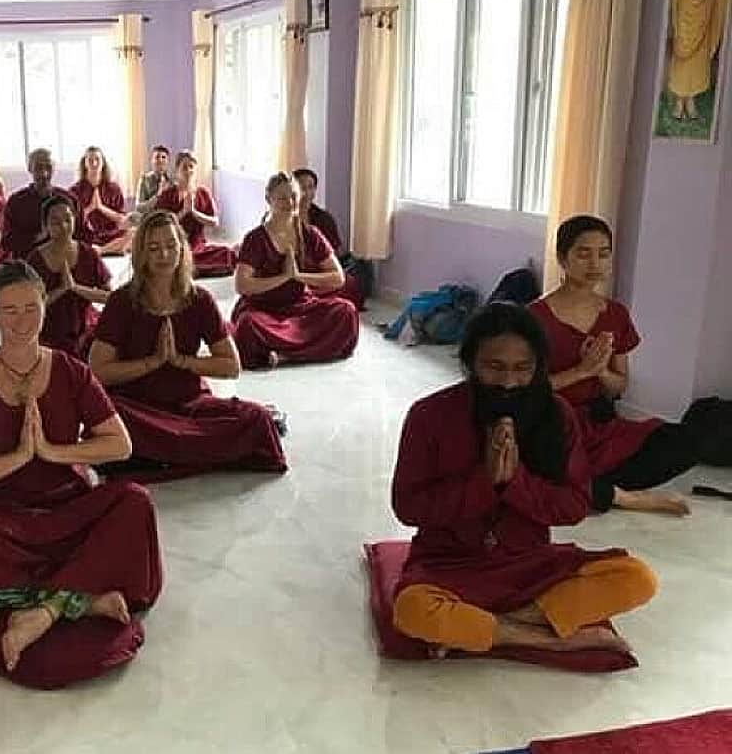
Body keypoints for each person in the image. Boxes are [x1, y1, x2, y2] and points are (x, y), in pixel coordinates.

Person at [0, 262, 163, 676]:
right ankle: (79, 595)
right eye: (10, 310)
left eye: (32, 307)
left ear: (45, 306)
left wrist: (50, 451)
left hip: (65, 513)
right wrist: (16, 458)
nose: (23, 320)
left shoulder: (70, 370)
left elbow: (120, 444)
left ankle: (43, 609)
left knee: (133, 503)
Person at [390, 303, 657, 657]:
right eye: (494, 367)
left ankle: (496, 625)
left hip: (528, 562)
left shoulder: (556, 415)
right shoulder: (429, 415)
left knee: (636, 578)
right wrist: (484, 481)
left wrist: (515, 482)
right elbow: (408, 507)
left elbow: (574, 505)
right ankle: (546, 636)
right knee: (413, 609)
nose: (508, 382)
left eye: (522, 369)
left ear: (538, 367)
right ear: (470, 362)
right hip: (449, 563)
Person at [89, 211, 286, 480]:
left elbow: (231, 366)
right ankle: (189, 452)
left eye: (171, 246)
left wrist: (181, 361)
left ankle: (161, 456)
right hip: (137, 407)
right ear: (141, 253)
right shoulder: (122, 301)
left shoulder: (199, 299)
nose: (164, 255)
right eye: (154, 248)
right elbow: (98, 370)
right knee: (109, 420)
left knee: (257, 419)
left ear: (182, 249)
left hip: (189, 402)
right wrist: (152, 363)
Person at [529, 215, 697, 515]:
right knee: (534, 465)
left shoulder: (616, 314)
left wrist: (601, 371)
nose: (594, 263)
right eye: (583, 253)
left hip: (598, 424)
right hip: (551, 424)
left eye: (603, 253)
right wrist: (581, 371)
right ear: (562, 258)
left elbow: (620, 384)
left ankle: (591, 486)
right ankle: (614, 494)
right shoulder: (533, 317)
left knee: (686, 442)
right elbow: (523, 389)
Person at [231, 172, 359, 369]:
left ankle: (285, 356)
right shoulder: (255, 238)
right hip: (264, 310)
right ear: (268, 199)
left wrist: (298, 276)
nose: (289, 202)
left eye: (294, 197)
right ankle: (307, 350)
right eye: (282, 198)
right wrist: (283, 277)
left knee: (346, 312)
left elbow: (338, 278)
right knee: (248, 325)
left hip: (301, 307)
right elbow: (242, 285)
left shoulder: (310, 234)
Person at [28, 195, 112, 358]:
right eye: (55, 222)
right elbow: (30, 306)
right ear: (45, 226)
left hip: (86, 327)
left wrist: (76, 288)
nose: (64, 226)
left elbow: (109, 297)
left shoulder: (88, 253)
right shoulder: (35, 259)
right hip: (49, 332)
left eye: (68, 219)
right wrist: (61, 289)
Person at [293, 168, 370, 309]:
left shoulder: (324, 219)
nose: (305, 193)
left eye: (310, 187)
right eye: (301, 187)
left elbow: (333, 255)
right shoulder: (280, 218)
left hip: (320, 271)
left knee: (349, 284)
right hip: (291, 271)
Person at [153, 150, 236, 278]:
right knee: (172, 258)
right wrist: (183, 212)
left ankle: (188, 269)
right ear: (177, 170)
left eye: (191, 167)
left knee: (226, 252)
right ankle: (187, 268)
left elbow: (214, 221)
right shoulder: (167, 194)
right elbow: (159, 223)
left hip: (197, 245)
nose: (188, 171)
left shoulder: (203, 192)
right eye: (184, 167)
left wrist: (194, 213)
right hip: (174, 245)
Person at [666, 0, 728, 121]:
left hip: (708, 4)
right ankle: (679, 102)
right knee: (682, 50)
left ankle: (691, 101)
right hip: (687, 2)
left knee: (699, 55)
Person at [2, 149, 78, 261]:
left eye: (48, 167)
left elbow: (86, 235)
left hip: (66, 258)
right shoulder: (16, 202)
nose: (44, 174)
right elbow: (6, 242)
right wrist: (38, 237)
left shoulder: (69, 199)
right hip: (28, 263)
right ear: (30, 169)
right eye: (38, 168)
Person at [70, 146, 130, 255]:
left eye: (97, 159)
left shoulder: (114, 188)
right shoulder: (75, 190)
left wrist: (101, 208)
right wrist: (90, 208)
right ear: (85, 164)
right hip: (87, 236)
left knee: (134, 233)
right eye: (90, 160)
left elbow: (122, 219)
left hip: (110, 235)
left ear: (103, 163)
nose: (94, 163)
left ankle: (100, 251)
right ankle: (112, 249)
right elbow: (72, 220)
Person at [132, 144, 174, 214]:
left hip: (167, 220)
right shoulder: (144, 179)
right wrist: (157, 196)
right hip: (149, 219)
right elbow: (139, 208)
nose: (160, 160)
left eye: (163, 157)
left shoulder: (172, 182)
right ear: (152, 161)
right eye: (157, 157)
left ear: (168, 162)